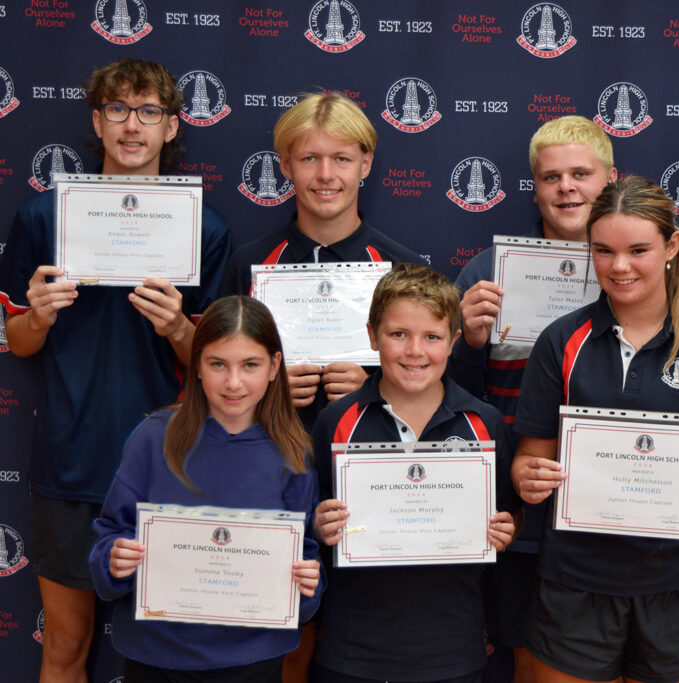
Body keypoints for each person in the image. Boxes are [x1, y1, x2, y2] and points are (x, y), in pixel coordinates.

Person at [0, 58, 231, 682]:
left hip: (171, 463)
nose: (134, 126)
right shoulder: (42, 218)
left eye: (149, 111)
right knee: (65, 648)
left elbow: (218, 366)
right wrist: (39, 317)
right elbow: (18, 342)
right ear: (97, 122)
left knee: (170, 655)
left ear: (172, 125)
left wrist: (180, 327)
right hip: (71, 461)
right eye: (118, 111)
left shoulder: (204, 229)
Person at [511, 177, 679, 683]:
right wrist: (527, 478)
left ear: (671, 247)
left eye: (638, 250)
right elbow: (526, 461)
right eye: (603, 250)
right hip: (575, 582)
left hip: (677, 585)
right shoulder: (561, 341)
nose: (619, 267)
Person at [449, 115, 617, 682]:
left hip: (617, 499)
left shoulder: (638, 268)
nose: (566, 187)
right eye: (551, 177)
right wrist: (469, 345)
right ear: (536, 188)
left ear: (610, 179)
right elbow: (450, 405)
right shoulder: (488, 274)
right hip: (524, 504)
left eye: (580, 173)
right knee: (529, 657)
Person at [89, 295, 322, 680]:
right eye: (218, 364)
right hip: (157, 655)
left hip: (252, 659)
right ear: (197, 365)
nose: (234, 382)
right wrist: (114, 560)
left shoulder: (294, 453)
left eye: (250, 365)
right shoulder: (153, 438)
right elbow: (109, 539)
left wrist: (308, 583)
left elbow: (306, 560)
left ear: (274, 366)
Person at [311, 262, 521, 682]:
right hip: (353, 650)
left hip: (452, 650)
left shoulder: (485, 424)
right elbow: (309, 520)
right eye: (398, 335)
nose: (414, 352)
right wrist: (317, 525)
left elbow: (512, 515)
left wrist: (506, 529)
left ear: (453, 341)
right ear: (372, 336)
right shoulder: (336, 422)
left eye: (432, 337)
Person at [221, 93, 426, 430]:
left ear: (366, 164)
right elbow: (218, 370)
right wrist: (263, 385)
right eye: (310, 158)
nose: (326, 174)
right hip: (271, 460)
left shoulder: (407, 271)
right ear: (286, 166)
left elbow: (435, 387)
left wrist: (376, 389)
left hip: (370, 466)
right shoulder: (250, 265)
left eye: (341, 158)